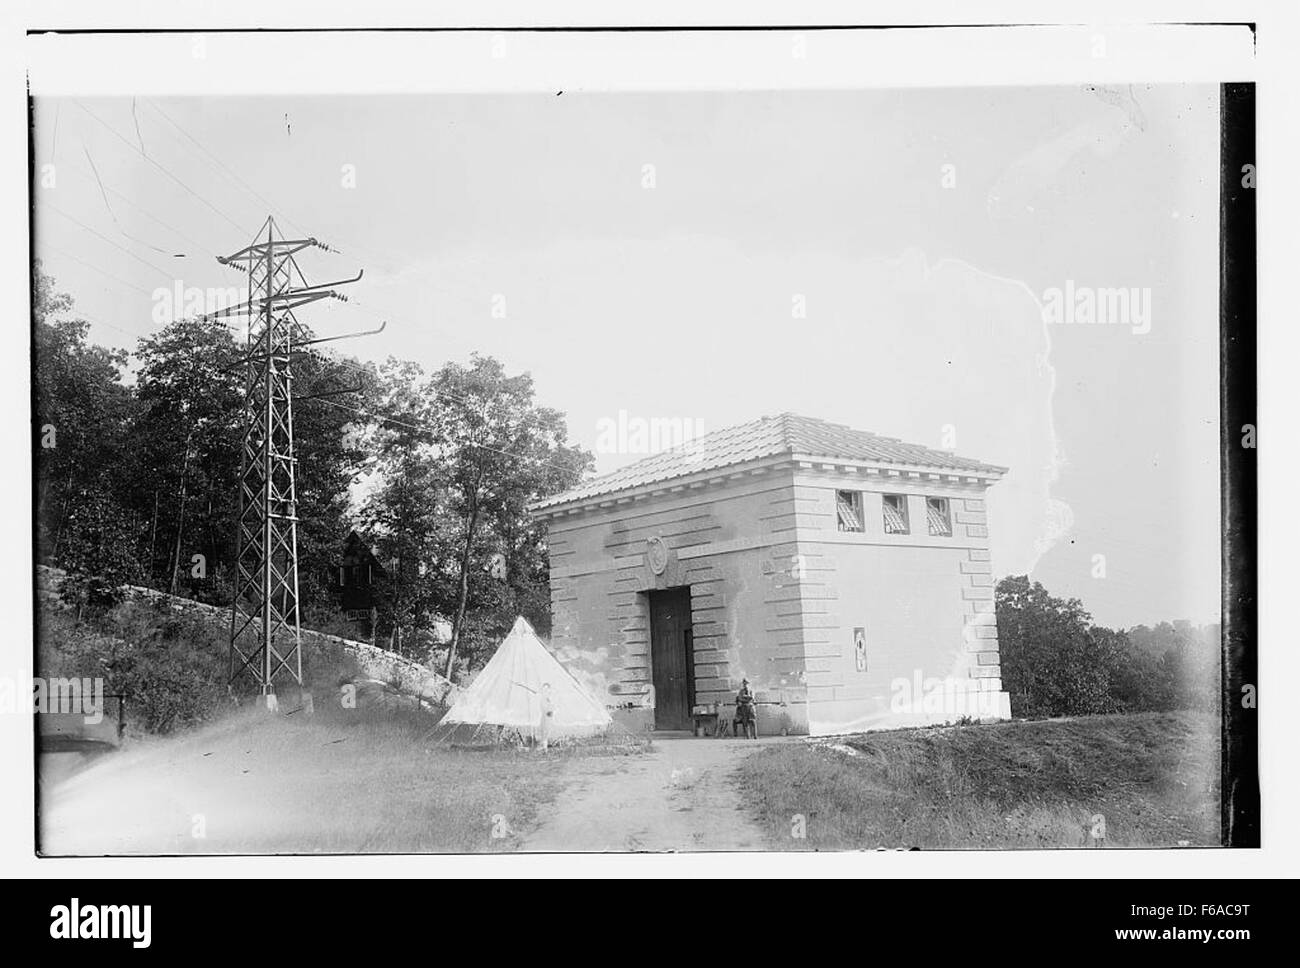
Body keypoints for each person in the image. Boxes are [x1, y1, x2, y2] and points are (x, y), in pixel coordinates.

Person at [538, 682, 554, 752]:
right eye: (545, 689)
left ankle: (545, 748)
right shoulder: (542, 699)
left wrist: (551, 712)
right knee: (544, 732)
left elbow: (552, 708)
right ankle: (544, 748)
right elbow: (543, 708)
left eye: (547, 689)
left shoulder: (550, 699)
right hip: (544, 717)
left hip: (549, 718)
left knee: (547, 732)